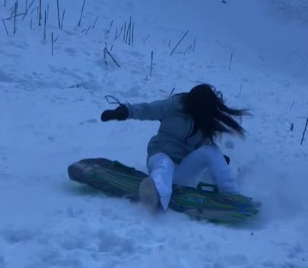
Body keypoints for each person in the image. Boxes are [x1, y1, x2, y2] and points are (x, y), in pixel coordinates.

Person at [99, 84, 247, 211]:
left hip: (182, 169)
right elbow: (148, 109)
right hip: (159, 156)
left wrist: (218, 161)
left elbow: (200, 150)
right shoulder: (173, 106)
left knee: (211, 150)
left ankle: (230, 195)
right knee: (165, 163)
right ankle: (155, 195)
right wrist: (123, 112)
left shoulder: (203, 119)